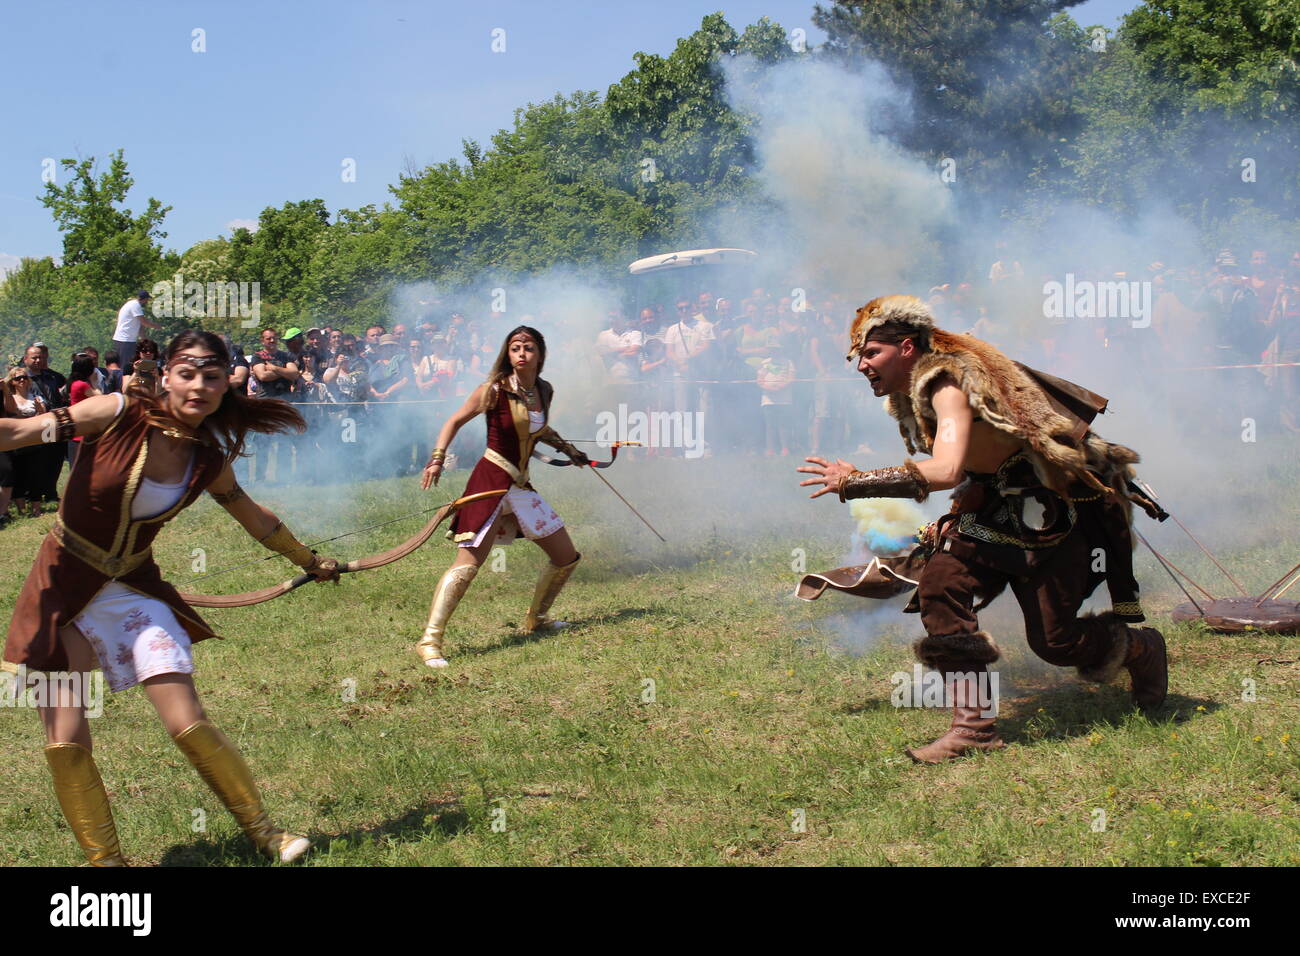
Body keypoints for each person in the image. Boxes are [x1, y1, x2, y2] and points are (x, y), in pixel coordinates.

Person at [0, 330, 340, 865]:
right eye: (187, 372)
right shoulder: (114, 411)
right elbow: (20, 431)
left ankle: (267, 834)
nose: (198, 386)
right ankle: (106, 865)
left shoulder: (207, 459)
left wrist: (310, 560)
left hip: (135, 587)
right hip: (60, 586)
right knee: (65, 741)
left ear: (226, 384)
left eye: (211, 376)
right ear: (165, 376)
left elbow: (255, 517)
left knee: (187, 720)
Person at [796, 295, 1167, 763]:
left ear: (907, 348)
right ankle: (973, 728)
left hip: (1050, 517)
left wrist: (855, 482)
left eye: (871, 354)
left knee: (1056, 643)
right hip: (991, 512)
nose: (862, 366)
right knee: (941, 585)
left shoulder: (945, 383)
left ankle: (1141, 648)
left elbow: (947, 469)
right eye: (859, 357)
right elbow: (975, 465)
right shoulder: (914, 392)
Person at [416, 326, 587, 668]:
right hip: (491, 479)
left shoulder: (544, 390)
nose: (521, 353)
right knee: (468, 565)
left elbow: (537, 429)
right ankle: (429, 641)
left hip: (520, 485)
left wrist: (568, 449)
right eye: (515, 348)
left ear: (540, 353)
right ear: (507, 354)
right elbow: (454, 421)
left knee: (566, 556)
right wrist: (437, 459)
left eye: (528, 347)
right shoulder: (493, 389)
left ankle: (535, 620)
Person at [22, 343, 67, 512]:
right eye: (34, 357)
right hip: (34, 424)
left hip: (54, 422)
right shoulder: (22, 377)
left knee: (55, 458)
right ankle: (32, 495)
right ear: (26, 359)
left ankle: (50, 493)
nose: (38, 360)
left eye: (41, 357)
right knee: (36, 461)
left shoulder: (52, 376)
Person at [3, 366, 47, 518]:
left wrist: (40, 410)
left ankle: (36, 508)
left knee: (37, 475)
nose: (21, 380)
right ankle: (21, 510)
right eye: (17, 378)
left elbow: (44, 418)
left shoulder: (35, 397)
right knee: (19, 475)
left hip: (34, 440)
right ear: (12, 382)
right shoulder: (10, 399)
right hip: (18, 442)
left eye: (24, 377)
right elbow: (11, 415)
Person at [65, 353, 101, 470]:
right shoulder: (82, 385)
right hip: (83, 432)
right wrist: (95, 383)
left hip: (76, 430)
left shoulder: (73, 383)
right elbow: (100, 398)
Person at [111, 290, 160, 370]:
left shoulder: (134, 305)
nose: (147, 302)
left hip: (128, 340)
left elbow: (140, 326)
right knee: (125, 365)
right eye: (147, 300)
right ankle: (123, 381)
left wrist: (144, 340)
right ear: (145, 299)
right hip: (125, 340)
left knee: (131, 363)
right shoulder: (135, 305)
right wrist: (156, 326)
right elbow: (144, 321)